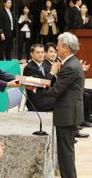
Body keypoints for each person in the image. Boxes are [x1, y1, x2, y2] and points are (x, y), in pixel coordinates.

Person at [34, 32, 84, 178]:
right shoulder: (70, 63)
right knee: (65, 154)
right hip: (68, 114)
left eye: (58, 45)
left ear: (66, 48)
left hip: (67, 115)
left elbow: (56, 90)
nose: (56, 48)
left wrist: (43, 82)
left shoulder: (70, 66)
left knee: (66, 156)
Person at [23, 43, 59, 111]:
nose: (41, 55)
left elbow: (50, 83)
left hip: (45, 96)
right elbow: (41, 84)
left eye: (42, 52)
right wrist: (51, 73)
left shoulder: (42, 66)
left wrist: (55, 74)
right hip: (37, 101)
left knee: (67, 96)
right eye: (38, 53)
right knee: (65, 101)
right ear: (32, 54)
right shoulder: (29, 68)